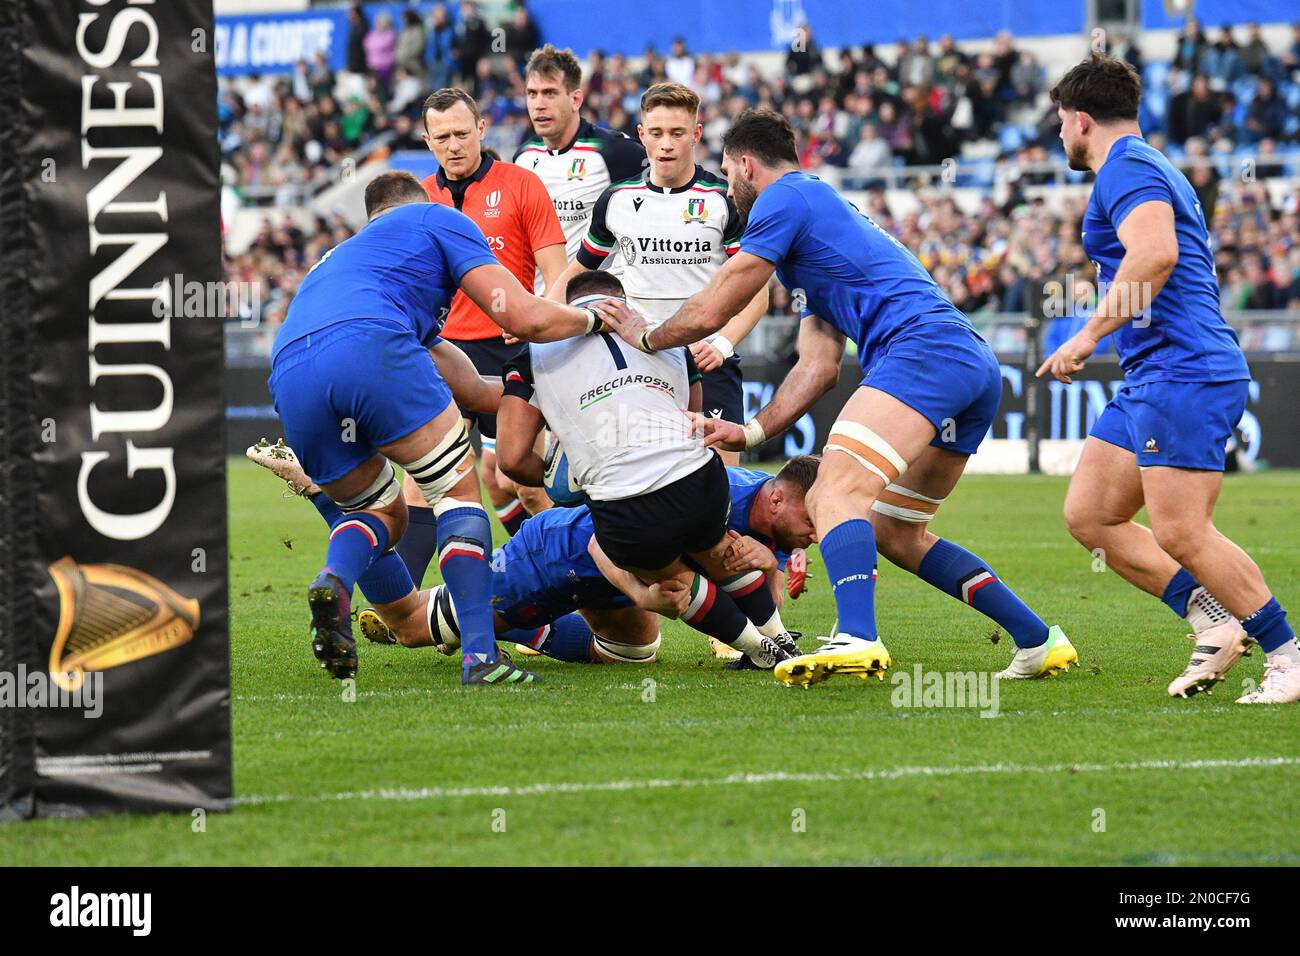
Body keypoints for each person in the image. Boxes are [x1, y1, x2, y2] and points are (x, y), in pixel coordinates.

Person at [601, 107, 1073, 686]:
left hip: (922, 351)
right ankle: (1037, 639)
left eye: (727, 173)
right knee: (896, 531)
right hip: (967, 362)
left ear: (746, 164)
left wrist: (646, 335)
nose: (727, 187)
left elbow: (718, 301)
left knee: (835, 491)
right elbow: (818, 367)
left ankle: (857, 637)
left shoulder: (785, 198)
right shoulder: (815, 235)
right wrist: (751, 433)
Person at [266, 170, 616, 686]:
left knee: (378, 512)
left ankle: (334, 580)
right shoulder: (436, 217)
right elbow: (521, 315)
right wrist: (597, 323)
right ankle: (480, 658)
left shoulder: (347, 259)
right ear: (422, 203)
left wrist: (550, 400)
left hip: (289, 370)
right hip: (371, 345)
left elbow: (473, 390)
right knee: (457, 497)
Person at [1038, 54, 1297, 704]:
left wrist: (1088, 335)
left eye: (1059, 123)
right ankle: (1214, 621)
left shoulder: (1126, 167)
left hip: (1184, 370)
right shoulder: (1145, 165)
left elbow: (1156, 253)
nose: (1058, 135)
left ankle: (1287, 653)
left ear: (1079, 119)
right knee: (1092, 513)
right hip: (1154, 373)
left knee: (1181, 530)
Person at [498, 270, 800, 670]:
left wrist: (572, 475)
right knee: (718, 551)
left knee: (675, 579)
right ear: (622, 299)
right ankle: (780, 639)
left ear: (566, 307)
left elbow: (512, 458)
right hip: (699, 476)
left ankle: (760, 652)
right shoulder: (665, 334)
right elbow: (691, 412)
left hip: (622, 499)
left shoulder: (536, 350)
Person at [385, 88, 568, 588]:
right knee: (425, 483)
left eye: (463, 133)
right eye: (441, 137)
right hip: (442, 353)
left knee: (523, 483)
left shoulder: (522, 185)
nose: (454, 145)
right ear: (426, 140)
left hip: (511, 352)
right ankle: (401, 607)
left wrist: (535, 316)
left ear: (482, 130)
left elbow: (559, 272)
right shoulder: (416, 199)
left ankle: (569, 584)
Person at [547, 83, 766, 474]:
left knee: (723, 488)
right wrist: (536, 317)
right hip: (637, 363)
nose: (666, 144)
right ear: (641, 134)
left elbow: (757, 294)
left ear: (696, 135)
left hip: (708, 361)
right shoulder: (616, 200)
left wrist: (722, 343)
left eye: (678, 133)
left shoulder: (724, 200)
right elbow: (580, 271)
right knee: (637, 489)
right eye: (658, 133)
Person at [513, 44, 646, 281]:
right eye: (532, 93)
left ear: (575, 99)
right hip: (538, 304)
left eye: (550, 93)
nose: (538, 104)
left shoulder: (613, 152)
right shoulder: (523, 156)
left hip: (590, 306)